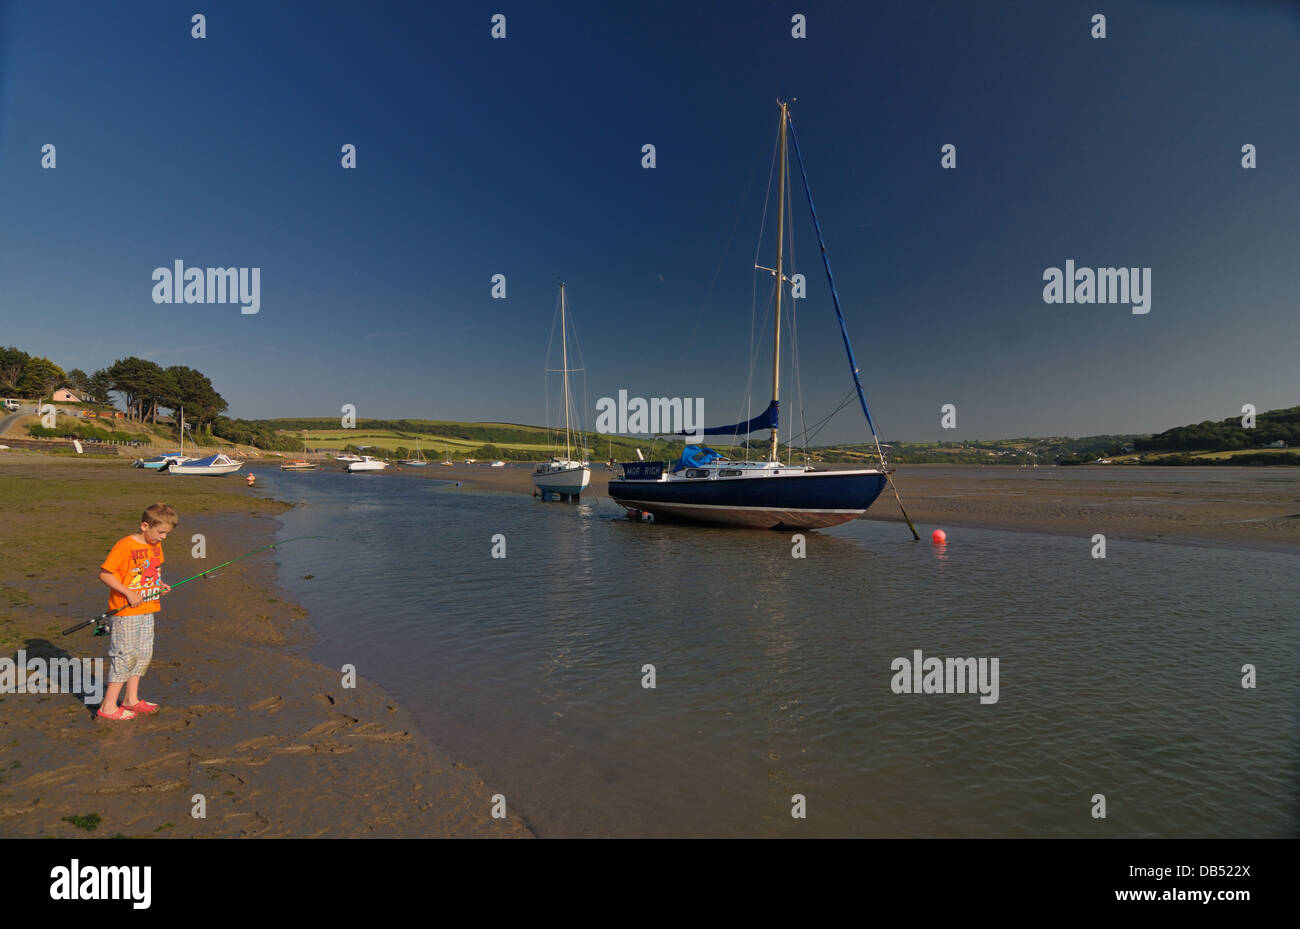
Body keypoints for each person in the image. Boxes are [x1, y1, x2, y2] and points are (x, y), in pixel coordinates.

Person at [96, 504, 176, 720]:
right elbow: (105, 574)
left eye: (167, 534)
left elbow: (151, 572)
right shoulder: (125, 546)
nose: (163, 538)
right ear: (144, 526)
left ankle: (131, 699)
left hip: (147, 609)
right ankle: (108, 707)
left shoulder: (155, 545)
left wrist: (159, 584)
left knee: (142, 654)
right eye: (161, 532)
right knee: (125, 656)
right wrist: (128, 592)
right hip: (126, 613)